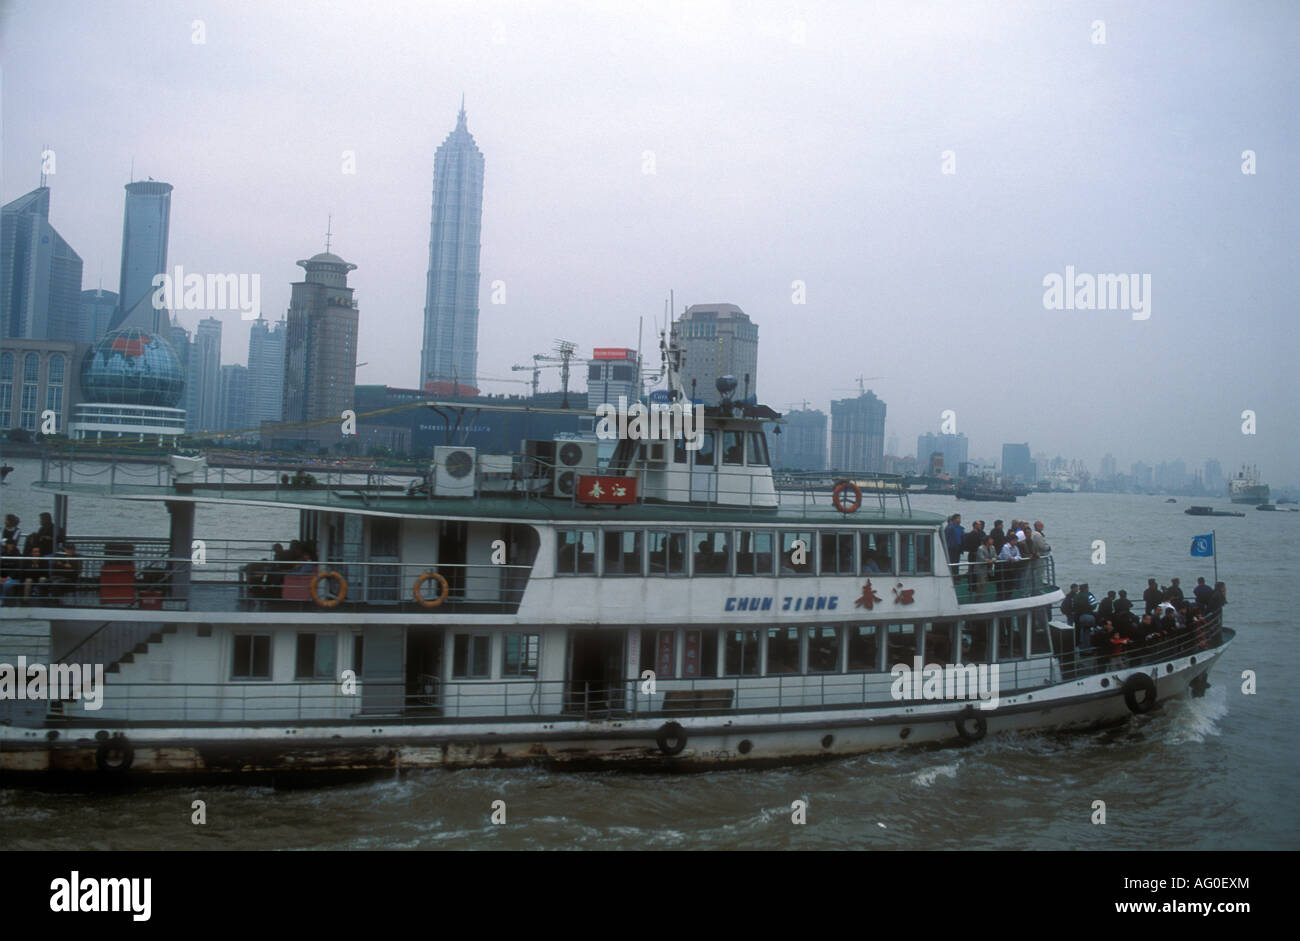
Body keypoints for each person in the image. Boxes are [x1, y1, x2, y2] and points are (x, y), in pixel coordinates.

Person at [975, 535, 997, 600]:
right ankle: (978, 599)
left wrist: (992, 560)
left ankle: (981, 598)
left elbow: (995, 556)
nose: (992, 540)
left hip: (988, 569)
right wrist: (988, 561)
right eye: (991, 539)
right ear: (987, 541)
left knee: (984, 585)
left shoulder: (993, 547)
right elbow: (981, 558)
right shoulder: (980, 548)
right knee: (980, 584)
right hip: (981, 569)